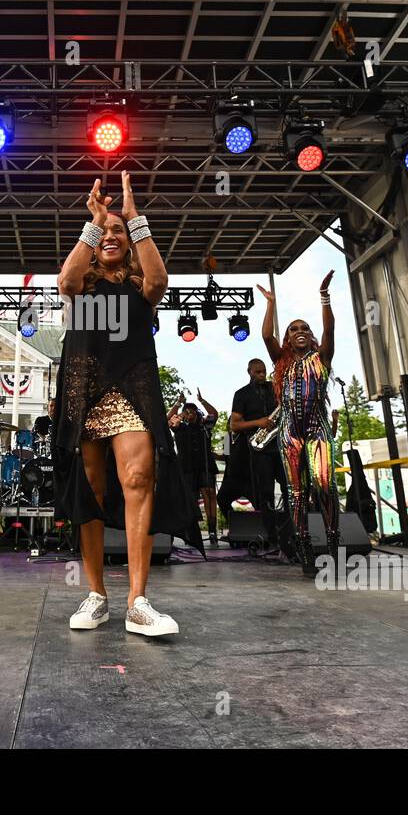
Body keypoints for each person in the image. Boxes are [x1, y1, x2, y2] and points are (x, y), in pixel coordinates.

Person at [56, 172, 202, 638]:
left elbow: (159, 279)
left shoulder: (142, 287)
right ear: (97, 242)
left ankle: (138, 600)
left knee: (139, 478)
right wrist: (96, 223)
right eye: (107, 233)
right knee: (92, 491)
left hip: (132, 388)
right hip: (86, 390)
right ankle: (97, 594)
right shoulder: (85, 285)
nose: (113, 236)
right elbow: (66, 277)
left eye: (121, 232)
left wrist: (134, 218)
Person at [256, 272, 339, 575]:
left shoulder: (322, 357)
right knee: (296, 492)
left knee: (325, 484)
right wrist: (270, 305)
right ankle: (304, 550)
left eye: (305, 328)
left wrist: (324, 297)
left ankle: (332, 545)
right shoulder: (282, 362)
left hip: (317, 428)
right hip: (290, 431)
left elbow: (330, 328)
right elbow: (266, 336)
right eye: (294, 329)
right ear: (288, 339)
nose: (300, 331)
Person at [223, 359, 283, 522]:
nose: (262, 375)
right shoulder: (242, 394)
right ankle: (269, 533)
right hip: (256, 453)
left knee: (289, 488)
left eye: (264, 371)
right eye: (258, 372)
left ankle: (289, 529)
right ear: (249, 372)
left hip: (279, 445)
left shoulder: (274, 389)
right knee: (265, 493)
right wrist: (259, 422)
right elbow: (234, 425)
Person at [169, 395, 219, 545]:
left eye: (192, 411)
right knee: (190, 499)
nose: (190, 414)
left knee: (209, 495)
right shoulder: (180, 427)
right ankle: (192, 533)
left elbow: (214, 414)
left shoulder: (205, 426)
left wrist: (202, 401)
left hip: (205, 466)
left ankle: (212, 531)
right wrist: (178, 404)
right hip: (187, 468)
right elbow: (168, 419)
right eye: (187, 412)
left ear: (197, 413)